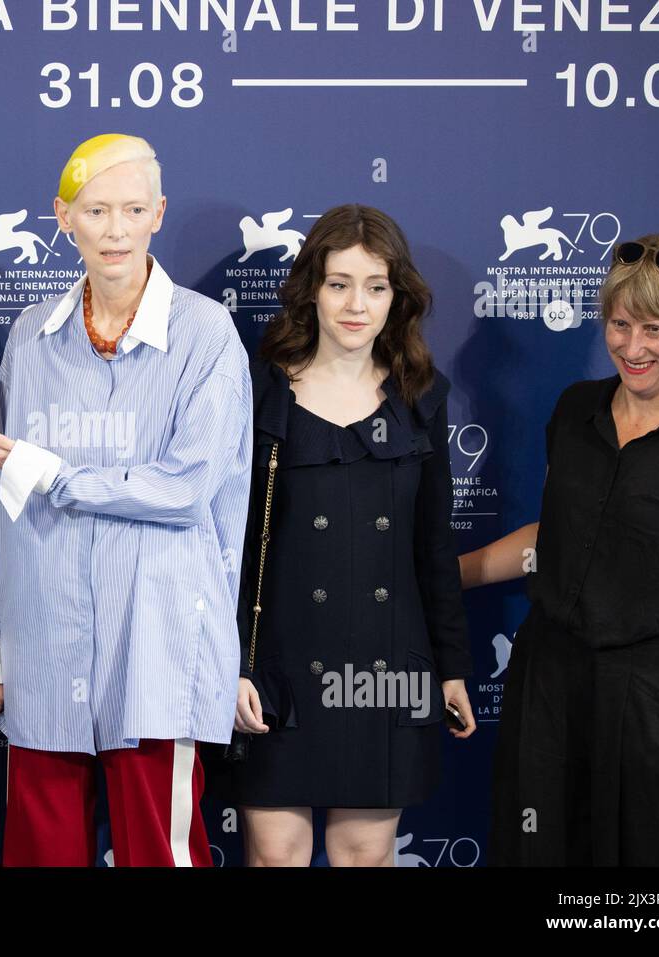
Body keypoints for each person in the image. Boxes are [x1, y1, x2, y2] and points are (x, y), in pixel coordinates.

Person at [0, 133, 252, 867]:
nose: (114, 228)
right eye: (95, 210)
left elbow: (185, 489)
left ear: (159, 213)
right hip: (45, 645)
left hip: (157, 646)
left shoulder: (207, 333)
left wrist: (58, 473)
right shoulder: (31, 335)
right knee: (40, 854)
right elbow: (5, 495)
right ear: (63, 217)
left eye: (133, 209)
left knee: (160, 852)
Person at [463, 233, 659, 866]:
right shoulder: (576, 410)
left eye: (656, 330)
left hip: (651, 702)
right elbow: (553, 541)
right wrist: (449, 574)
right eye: (620, 324)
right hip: (549, 688)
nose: (633, 348)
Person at [232, 205, 476, 867]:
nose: (355, 303)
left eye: (375, 285)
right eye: (339, 283)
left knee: (364, 853)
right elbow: (227, 544)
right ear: (312, 287)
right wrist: (232, 665)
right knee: (276, 852)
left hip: (386, 669)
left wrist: (452, 668)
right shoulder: (258, 393)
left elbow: (434, 548)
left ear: (397, 296)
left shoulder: (419, 397)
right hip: (277, 663)